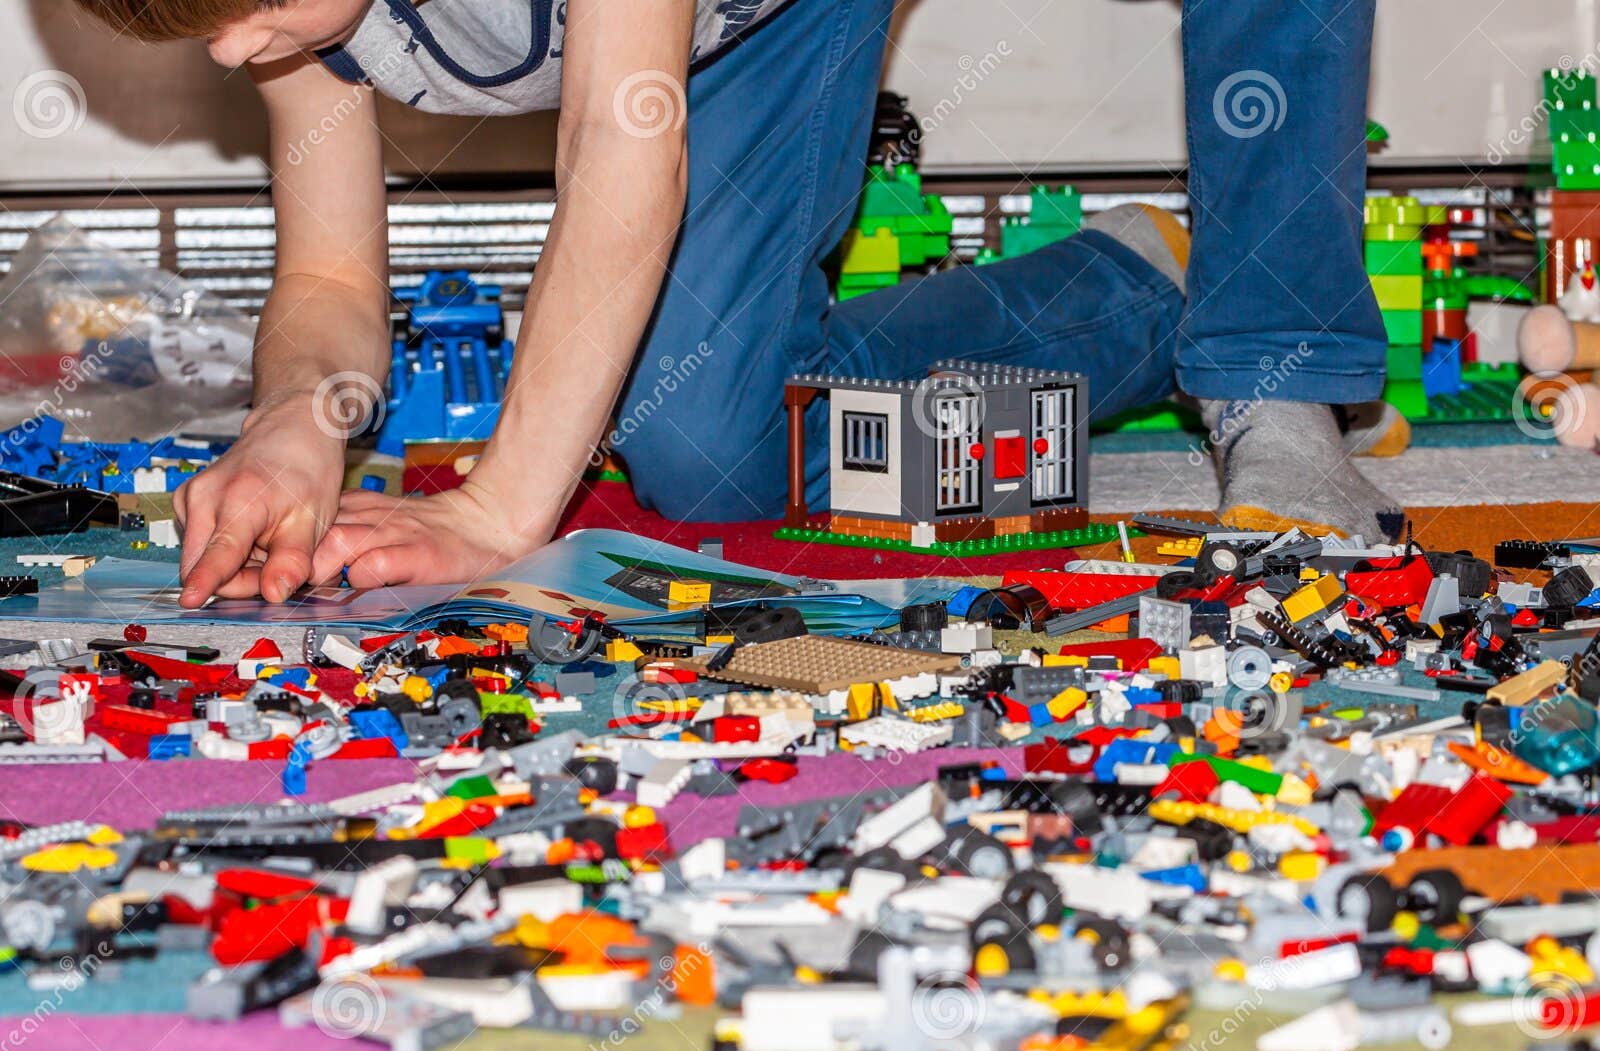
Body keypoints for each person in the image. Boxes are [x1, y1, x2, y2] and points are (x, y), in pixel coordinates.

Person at [71, 0, 1406, 610]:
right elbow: (325, 280)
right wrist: (297, 420)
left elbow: (620, 140)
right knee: (707, 455)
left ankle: (1276, 354)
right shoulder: (289, 21)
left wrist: (494, 506)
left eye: (242, 12)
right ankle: (1137, 285)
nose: (232, 52)